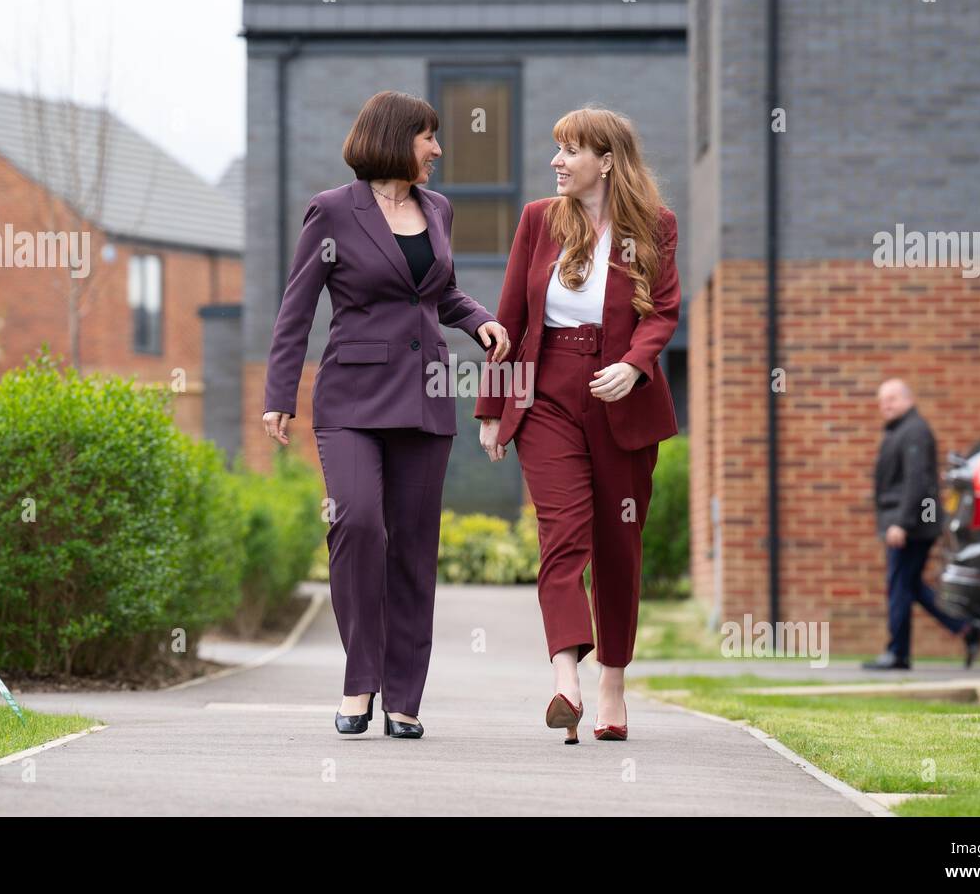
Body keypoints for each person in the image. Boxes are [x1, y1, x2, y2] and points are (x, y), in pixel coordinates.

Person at [262, 91, 509, 737]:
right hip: (350, 399)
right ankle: (357, 681)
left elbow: (441, 290)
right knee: (358, 526)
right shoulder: (332, 212)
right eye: (429, 137)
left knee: (413, 553)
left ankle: (403, 699)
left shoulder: (438, 209)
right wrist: (278, 397)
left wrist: (480, 321)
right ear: (399, 139)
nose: (438, 150)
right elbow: (296, 309)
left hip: (425, 396)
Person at [475, 107, 680, 743]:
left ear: (609, 161)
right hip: (549, 394)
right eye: (557, 149)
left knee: (619, 547)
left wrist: (635, 365)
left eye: (572, 150)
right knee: (562, 533)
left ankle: (610, 683)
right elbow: (509, 318)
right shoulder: (539, 219)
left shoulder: (654, 225)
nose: (558, 161)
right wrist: (492, 410)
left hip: (620, 396)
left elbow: (664, 310)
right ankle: (566, 677)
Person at [865, 379, 980, 670]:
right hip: (913, 522)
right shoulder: (901, 431)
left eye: (891, 399)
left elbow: (917, 483)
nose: (885, 405)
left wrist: (901, 524)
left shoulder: (914, 431)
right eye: (882, 401)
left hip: (913, 525)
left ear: (908, 399)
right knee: (910, 585)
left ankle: (898, 653)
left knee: (899, 586)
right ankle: (966, 627)